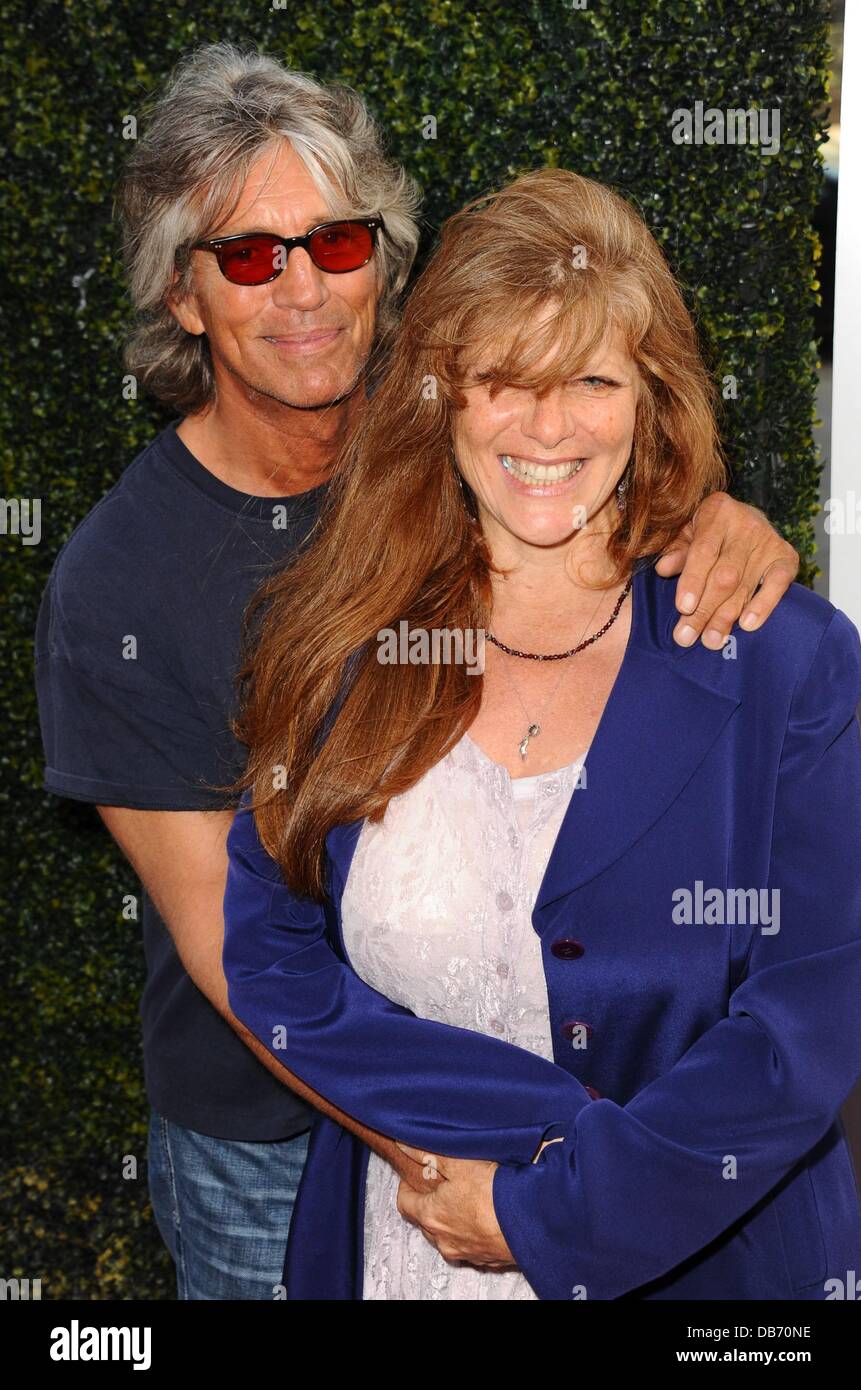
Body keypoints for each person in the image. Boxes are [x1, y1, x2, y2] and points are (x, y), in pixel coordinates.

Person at [34, 42, 800, 1300]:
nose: (302, 291)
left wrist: (720, 527)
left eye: (334, 243)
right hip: (282, 1143)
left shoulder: (469, 426)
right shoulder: (115, 589)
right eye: (246, 255)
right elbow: (245, 960)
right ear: (183, 297)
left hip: (551, 1094)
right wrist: (484, 1178)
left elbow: (611, 481)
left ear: (382, 260)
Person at [222, 166, 861, 1301]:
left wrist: (556, 1207)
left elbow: (804, 1026)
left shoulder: (785, 661)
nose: (548, 427)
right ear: (441, 394)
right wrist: (481, 1141)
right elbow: (274, 959)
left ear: (651, 396)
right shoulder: (345, 638)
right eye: (505, 380)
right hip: (402, 1246)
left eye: (591, 379)